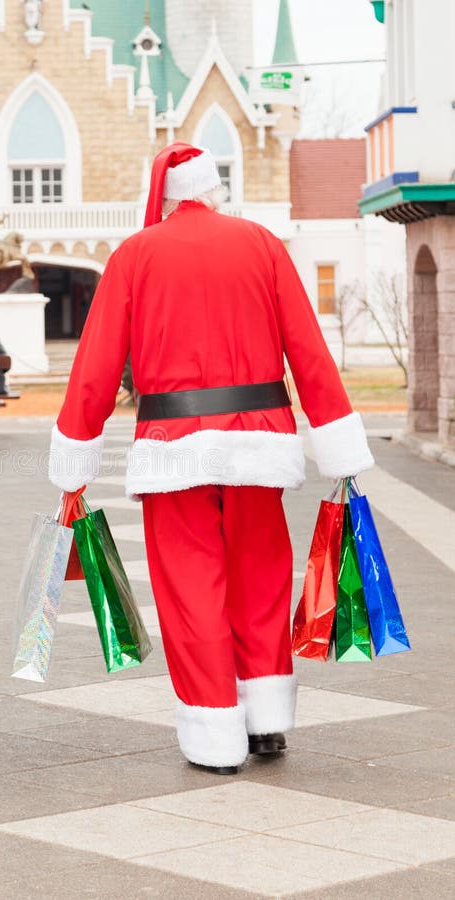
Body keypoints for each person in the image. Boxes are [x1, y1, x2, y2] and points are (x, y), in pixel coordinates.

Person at [48, 142, 374, 773]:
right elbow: (307, 347)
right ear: (212, 191)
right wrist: (336, 438)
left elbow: (94, 367)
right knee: (260, 578)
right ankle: (267, 720)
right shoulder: (261, 244)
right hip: (261, 439)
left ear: (163, 198)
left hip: (171, 449)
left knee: (190, 588)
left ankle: (214, 734)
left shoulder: (134, 256)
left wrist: (75, 463)